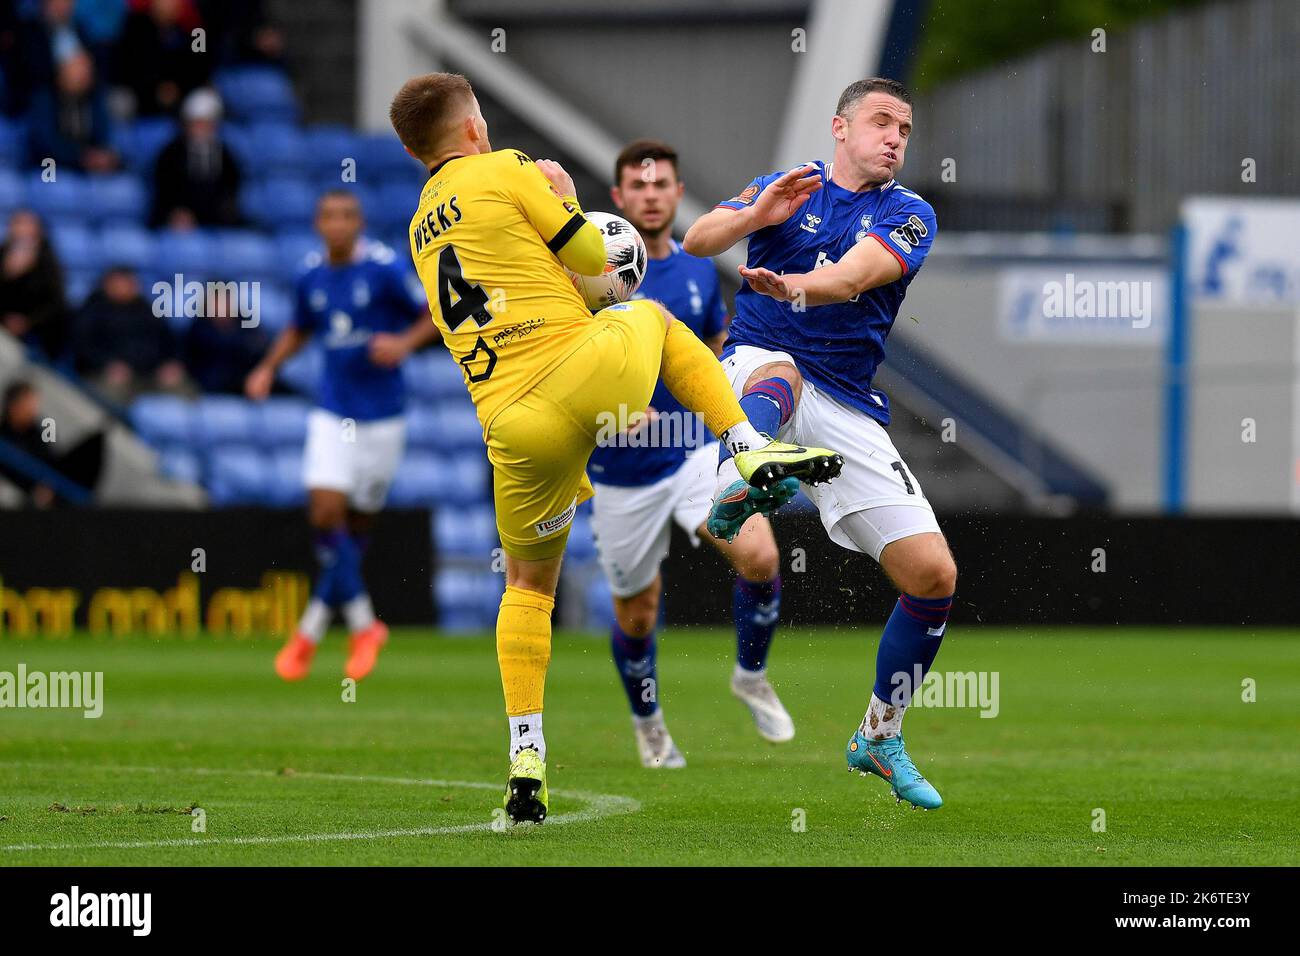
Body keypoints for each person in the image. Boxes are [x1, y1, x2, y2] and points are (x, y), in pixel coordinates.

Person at [388, 72, 843, 823]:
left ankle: (526, 756)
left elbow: (519, 285)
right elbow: (597, 261)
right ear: (474, 129)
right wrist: (563, 194)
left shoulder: (417, 227)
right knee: (660, 322)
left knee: (528, 589)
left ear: (412, 152)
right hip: (581, 378)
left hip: (511, 428)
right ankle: (749, 446)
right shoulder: (508, 170)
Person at [683, 77, 955, 810]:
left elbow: (851, 279)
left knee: (933, 576)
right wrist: (757, 214)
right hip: (757, 362)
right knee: (779, 373)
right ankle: (744, 477)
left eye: (905, 127)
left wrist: (796, 285)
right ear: (841, 128)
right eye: (881, 122)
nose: (896, 137)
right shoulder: (787, 184)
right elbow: (696, 238)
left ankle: (879, 733)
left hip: (848, 402)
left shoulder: (910, 213)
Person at [589, 139, 792, 769]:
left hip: (690, 453)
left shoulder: (701, 270)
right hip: (618, 474)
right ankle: (648, 721)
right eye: (638, 186)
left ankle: (750, 674)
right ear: (619, 197)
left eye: (662, 185)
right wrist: (611, 404)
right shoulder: (585, 272)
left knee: (758, 553)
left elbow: (710, 350)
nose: (650, 195)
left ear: (677, 194)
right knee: (639, 612)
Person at [245, 190, 439, 684]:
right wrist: (267, 367)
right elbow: (299, 328)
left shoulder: (385, 269)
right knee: (325, 511)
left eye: (347, 216)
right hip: (333, 412)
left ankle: (310, 632)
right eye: (329, 216)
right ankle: (362, 624)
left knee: (353, 532)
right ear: (317, 223)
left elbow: (434, 315)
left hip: (384, 417)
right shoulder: (310, 275)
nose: (337, 224)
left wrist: (402, 343)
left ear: (359, 223)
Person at [72, 265, 186, 403]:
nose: (126, 287)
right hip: (105, 375)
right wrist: (106, 365)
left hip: (149, 374)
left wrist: (169, 364)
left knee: (179, 385)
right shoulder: (92, 312)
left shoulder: (148, 310)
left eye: (130, 282)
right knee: (111, 390)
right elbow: (84, 348)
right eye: (121, 283)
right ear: (107, 284)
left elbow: (168, 342)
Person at [149, 87, 242, 229]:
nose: (200, 129)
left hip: (215, 217)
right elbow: (164, 186)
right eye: (196, 123)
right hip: (179, 216)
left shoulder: (224, 153)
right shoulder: (171, 153)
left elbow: (232, 184)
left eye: (205, 124)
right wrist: (175, 211)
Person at [0, 379, 104, 506]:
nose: (33, 409)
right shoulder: (4, 437)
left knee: (93, 444)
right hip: (31, 493)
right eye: (29, 403)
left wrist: (48, 483)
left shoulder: (40, 428)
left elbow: (52, 457)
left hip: (51, 483)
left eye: (34, 404)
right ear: (14, 404)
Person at [0, 209, 68, 360]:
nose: (23, 229)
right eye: (18, 223)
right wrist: (8, 274)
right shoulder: (2, 255)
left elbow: (55, 301)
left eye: (28, 224)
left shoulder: (49, 262)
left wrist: (28, 322)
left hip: (38, 332)